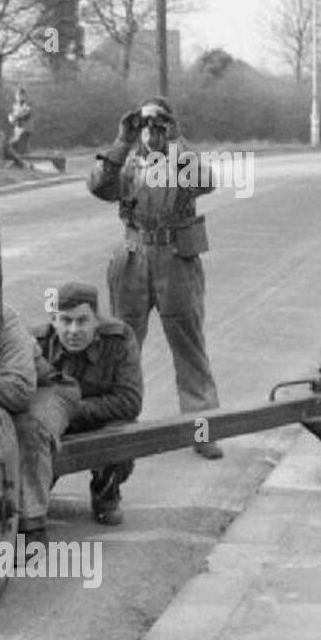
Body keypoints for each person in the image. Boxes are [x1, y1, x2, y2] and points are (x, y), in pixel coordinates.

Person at [87, 96, 224, 459]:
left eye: (158, 123)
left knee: (189, 345)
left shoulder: (181, 162)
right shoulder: (128, 162)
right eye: (144, 123)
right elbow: (99, 186)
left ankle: (201, 428)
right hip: (132, 255)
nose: (150, 130)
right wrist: (121, 139)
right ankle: (114, 431)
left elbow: (206, 182)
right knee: (119, 344)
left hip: (176, 258)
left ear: (170, 126)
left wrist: (177, 142)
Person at [17, 282, 143, 531]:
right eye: (66, 321)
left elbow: (130, 401)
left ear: (96, 320)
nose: (73, 330)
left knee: (122, 432)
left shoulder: (119, 339)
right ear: (54, 321)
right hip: (49, 428)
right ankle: (35, 491)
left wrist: (67, 409)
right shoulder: (34, 343)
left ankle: (105, 493)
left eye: (82, 321)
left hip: (95, 422)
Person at [5, 86, 33, 168]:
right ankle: (27, 164)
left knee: (19, 144)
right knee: (20, 146)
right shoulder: (15, 105)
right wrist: (11, 118)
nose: (18, 97)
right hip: (17, 129)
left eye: (20, 95)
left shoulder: (27, 103)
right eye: (17, 95)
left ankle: (21, 163)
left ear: (24, 95)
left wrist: (15, 116)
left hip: (25, 128)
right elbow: (12, 115)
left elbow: (25, 113)